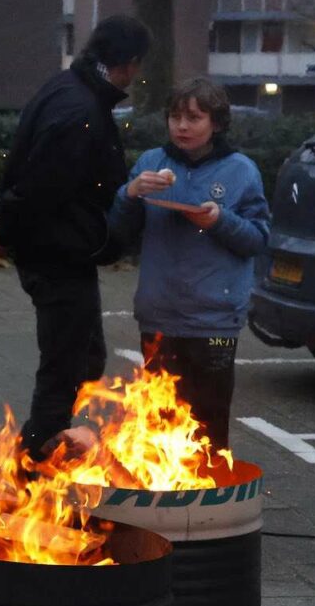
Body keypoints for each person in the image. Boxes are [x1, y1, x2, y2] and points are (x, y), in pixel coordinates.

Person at [0, 15, 151, 461]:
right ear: (127, 64)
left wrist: (8, 228)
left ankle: (54, 445)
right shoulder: (80, 111)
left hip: (64, 249)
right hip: (57, 253)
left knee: (86, 356)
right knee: (64, 366)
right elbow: (38, 185)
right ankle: (32, 464)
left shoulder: (70, 88)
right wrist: (7, 231)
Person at [108, 76, 272, 452]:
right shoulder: (152, 163)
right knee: (158, 420)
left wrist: (220, 220)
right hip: (159, 314)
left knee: (208, 418)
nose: (181, 126)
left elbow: (258, 240)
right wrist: (130, 194)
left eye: (194, 118)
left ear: (216, 123)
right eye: (175, 117)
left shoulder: (241, 170)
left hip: (215, 320)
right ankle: (162, 502)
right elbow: (118, 233)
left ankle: (210, 498)